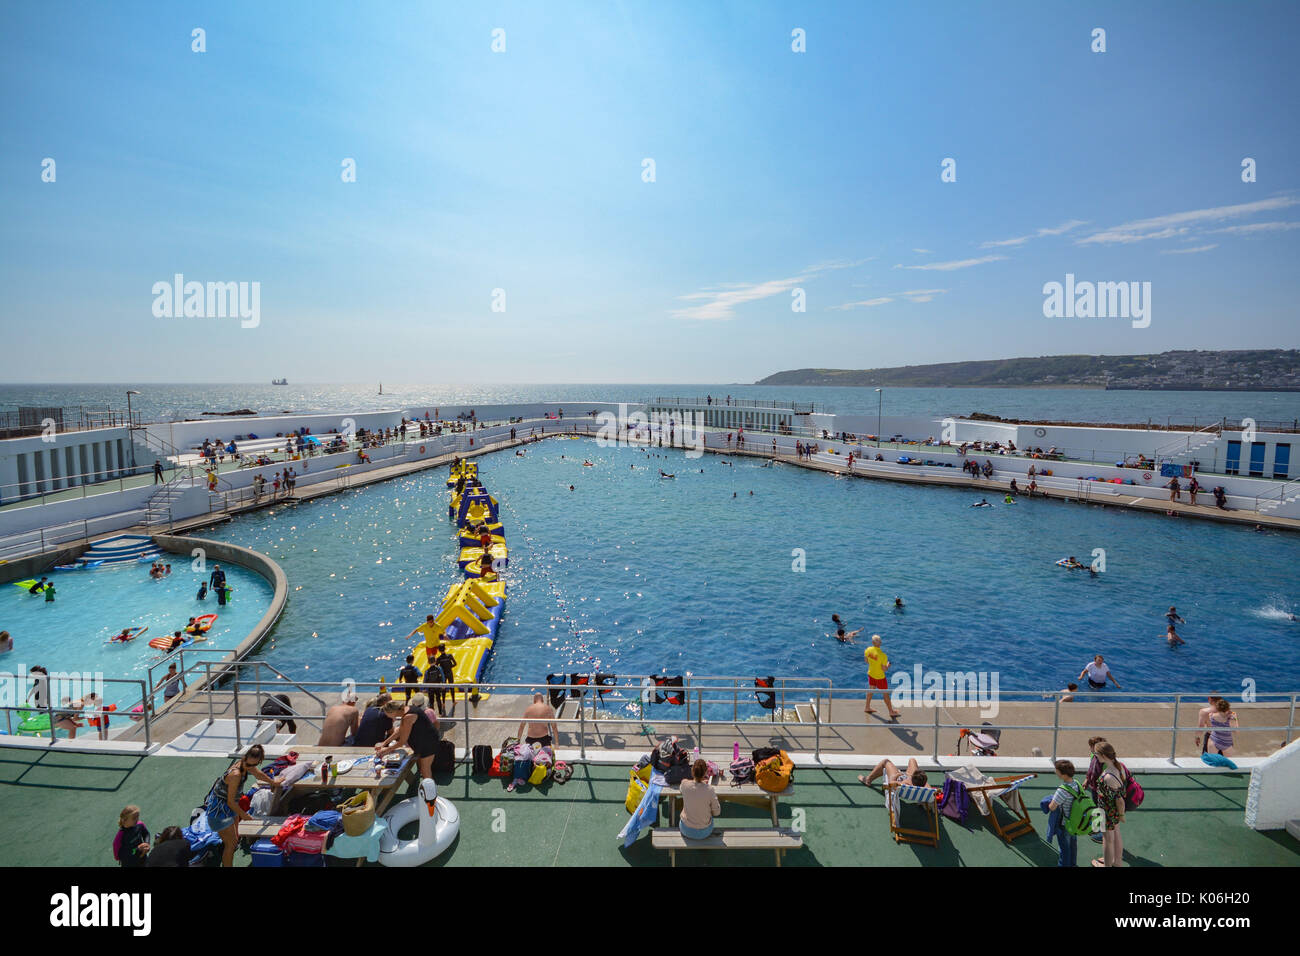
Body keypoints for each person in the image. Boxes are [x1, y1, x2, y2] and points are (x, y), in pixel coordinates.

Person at [203, 743, 278, 867]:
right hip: (219, 813)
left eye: (253, 764)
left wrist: (273, 782)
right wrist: (246, 816)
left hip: (229, 809)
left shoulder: (245, 763)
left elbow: (258, 774)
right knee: (230, 845)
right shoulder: (236, 775)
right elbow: (230, 802)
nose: (251, 767)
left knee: (233, 840)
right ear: (246, 757)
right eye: (250, 764)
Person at [376, 694, 440, 780]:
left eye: (387, 714)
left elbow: (402, 741)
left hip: (428, 743)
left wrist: (386, 750)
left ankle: (431, 792)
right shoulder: (407, 710)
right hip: (423, 741)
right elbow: (399, 731)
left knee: (425, 771)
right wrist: (384, 743)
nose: (386, 716)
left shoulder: (408, 717)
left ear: (393, 712)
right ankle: (427, 788)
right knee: (423, 769)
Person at [1091, 741, 1128, 867]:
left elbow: (1119, 800)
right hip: (1113, 811)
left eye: (1096, 753)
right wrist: (1120, 814)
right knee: (1116, 835)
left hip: (1106, 810)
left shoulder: (1108, 776)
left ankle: (1107, 865)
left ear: (1103, 755)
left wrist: (1122, 815)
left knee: (1107, 840)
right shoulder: (1119, 767)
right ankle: (1117, 862)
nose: (1095, 755)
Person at [1044, 759, 1082, 867]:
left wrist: (1048, 801)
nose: (1056, 772)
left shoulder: (1062, 790)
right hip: (1075, 822)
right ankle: (1072, 864)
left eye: (1057, 770)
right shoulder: (1077, 784)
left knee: (1064, 849)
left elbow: (1052, 807)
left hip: (1065, 824)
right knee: (1073, 845)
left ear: (1063, 774)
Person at [678, 759, 722, 840]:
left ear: (692, 770)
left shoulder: (684, 784)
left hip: (686, 830)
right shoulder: (710, 790)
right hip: (704, 832)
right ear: (705, 773)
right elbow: (717, 812)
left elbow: (683, 786)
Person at [863, 634, 901, 718]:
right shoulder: (883, 656)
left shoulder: (868, 650)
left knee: (871, 690)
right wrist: (888, 665)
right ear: (880, 643)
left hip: (871, 674)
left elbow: (866, 661)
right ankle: (891, 712)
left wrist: (874, 664)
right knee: (885, 694)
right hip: (880, 677)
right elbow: (884, 669)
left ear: (873, 642)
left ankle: (867, 707)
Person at [858, 756, 928, 788]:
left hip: (900, 777)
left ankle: (868, 779)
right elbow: (928, 787)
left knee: (885, 762)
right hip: (910, 778)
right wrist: (909, 776)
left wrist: (898, 774)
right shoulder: (924, 786)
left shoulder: (905, 784)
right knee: (912, 760)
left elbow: (891, 782)